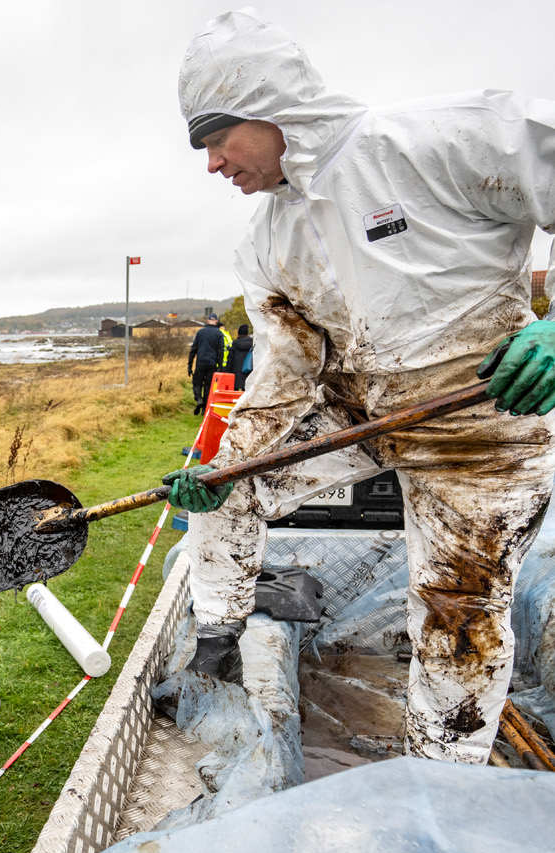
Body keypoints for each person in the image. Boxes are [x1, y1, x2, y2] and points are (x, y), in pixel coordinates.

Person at [162, 10, 555, 764]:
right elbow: (283, 370)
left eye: (217, 140)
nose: (212, 164)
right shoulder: (268, 239)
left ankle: (440, 783)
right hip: (367, 407)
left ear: (267, 105)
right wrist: (228, 456)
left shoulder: (431, 141)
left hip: (484, 418)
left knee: (456, 618)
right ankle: (215, 647)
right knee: (229, 483)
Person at [187, 314, 228, 414]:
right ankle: (204, 408)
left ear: (208, 320)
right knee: (208, 385)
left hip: (200, 362)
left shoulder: (200, 332)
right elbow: (220, 351)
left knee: (197, 383)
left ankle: (199, 399)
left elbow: (193, 349)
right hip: (212, 363)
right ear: (217, 321)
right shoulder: (219, 333)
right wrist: (220, 365)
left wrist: (190, 364)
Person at [231, 323, 254, 390]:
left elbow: (230, 360)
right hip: (248, 371)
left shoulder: (235, 344)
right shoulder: (252, 344)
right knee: (246, 391)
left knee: (234, 392)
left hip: (235, 372)